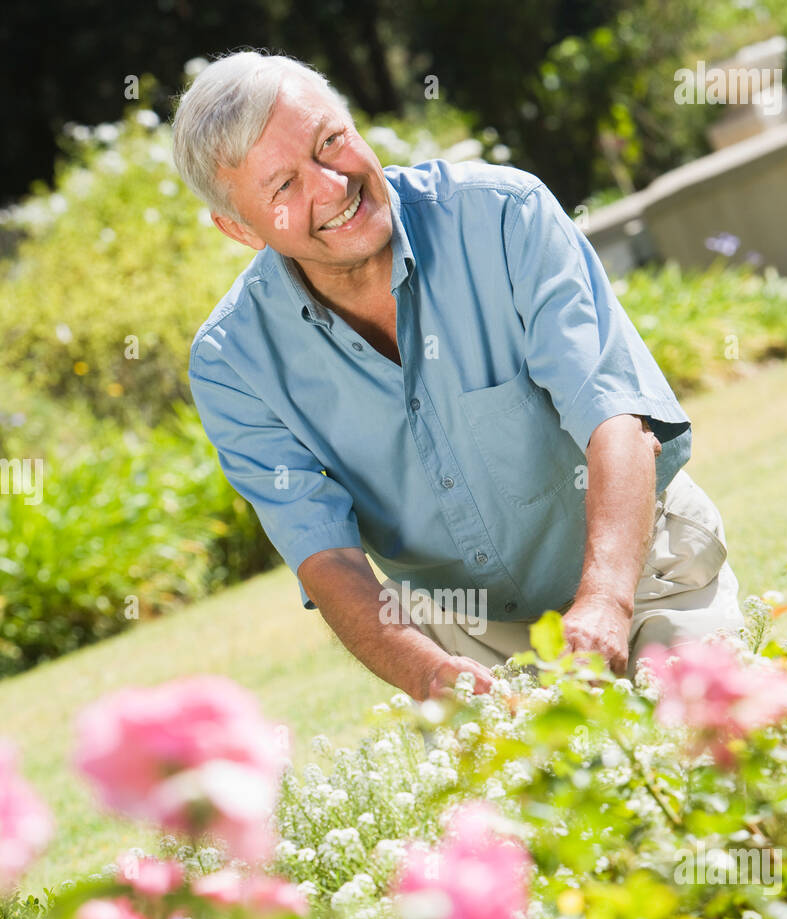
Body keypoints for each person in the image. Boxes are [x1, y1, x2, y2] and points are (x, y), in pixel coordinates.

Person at [172, 51, 743, 701]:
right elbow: (324, 554)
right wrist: (426, 672)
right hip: (468, 636)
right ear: (239, 229)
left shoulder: (503, 216)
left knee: (708, 751)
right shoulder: (231, 363)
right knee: (535, 804)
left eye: (331, 142)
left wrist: (607, 601)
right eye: (283, 186)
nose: (332, 187)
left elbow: (615, 418)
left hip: (640, 568)